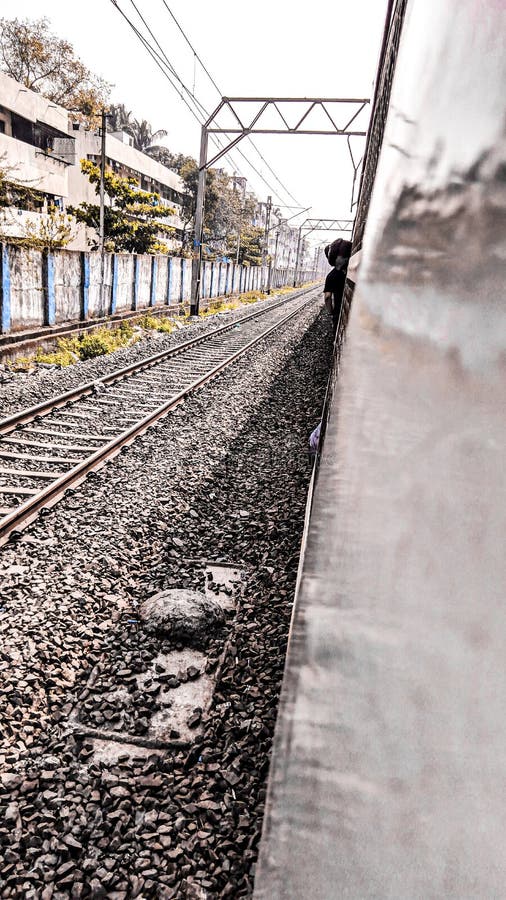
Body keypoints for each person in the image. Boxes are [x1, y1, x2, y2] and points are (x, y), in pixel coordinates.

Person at [323, 238, 352, 334]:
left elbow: (327, 297)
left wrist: (331, 312)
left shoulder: (331, 276)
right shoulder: (349, 270)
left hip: (339, 312)